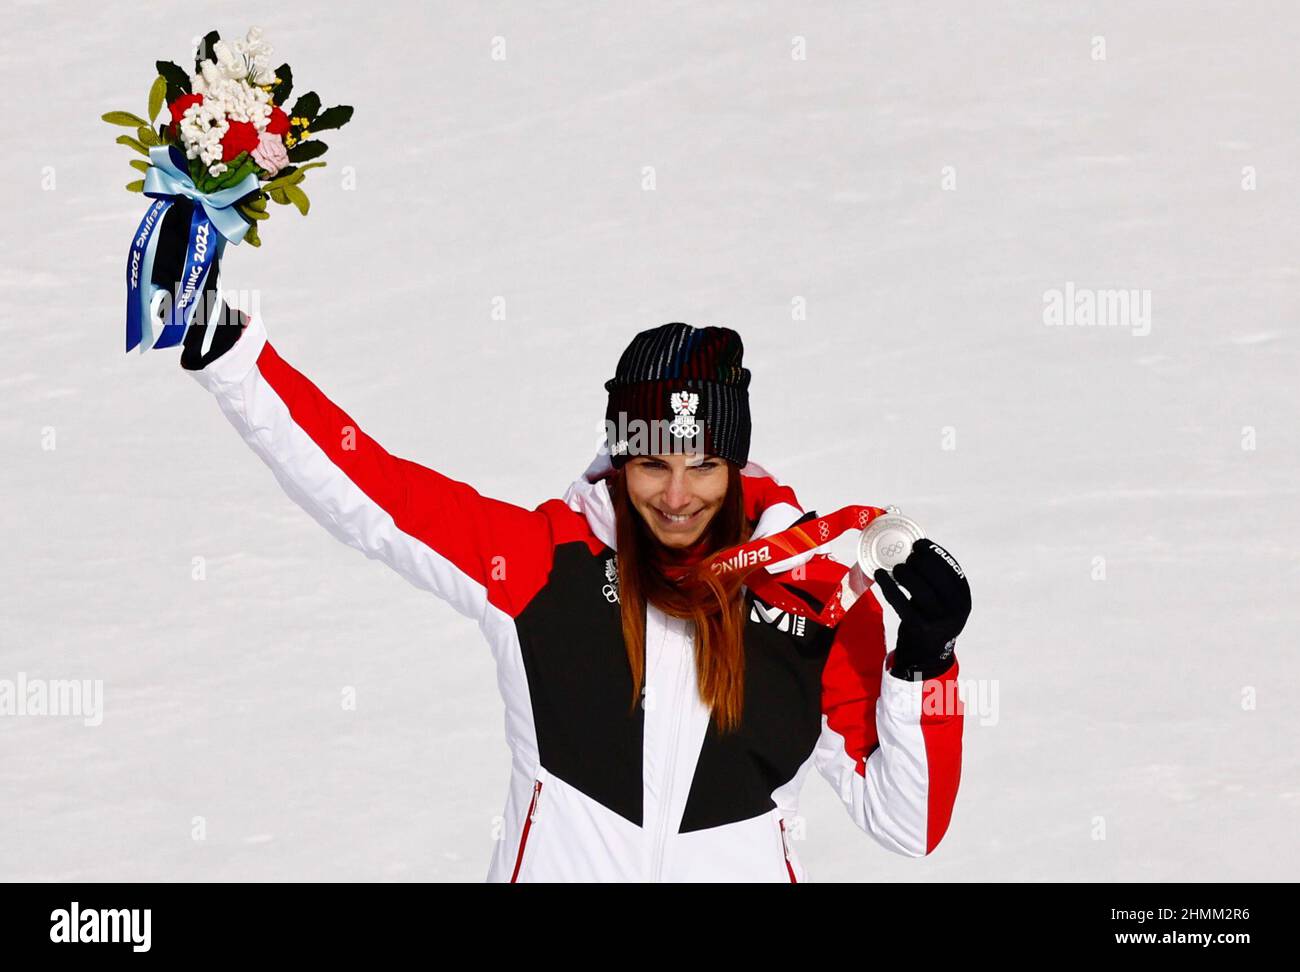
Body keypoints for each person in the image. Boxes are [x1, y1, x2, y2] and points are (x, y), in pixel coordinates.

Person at [149, 199, 972, 882]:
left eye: (703, 463)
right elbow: (375, 492)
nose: (677, 495)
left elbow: (909, 823)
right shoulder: (545, 567)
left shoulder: (815, 589)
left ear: (735, 460)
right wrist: (228, 347)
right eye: (650, 462)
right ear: (618, 457)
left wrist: (925, 664)